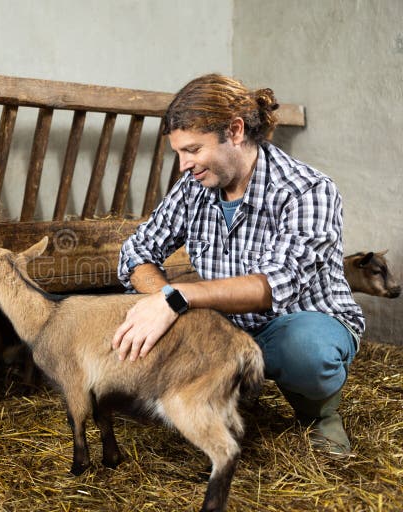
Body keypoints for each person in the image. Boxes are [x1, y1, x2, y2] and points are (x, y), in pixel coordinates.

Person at [112, 73, 364, 456]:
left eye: (193, 149)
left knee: (306, 350)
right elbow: (137, 252)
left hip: (295, 323)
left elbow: (271, 286)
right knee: (133, 336)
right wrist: (162, 299)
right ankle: (223, 398)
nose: (183, 165)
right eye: (179, 152)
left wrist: (177, 298)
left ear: (234, 131)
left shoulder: (307, 190)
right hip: (223, 327)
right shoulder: (195, 186)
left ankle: (320, 414)